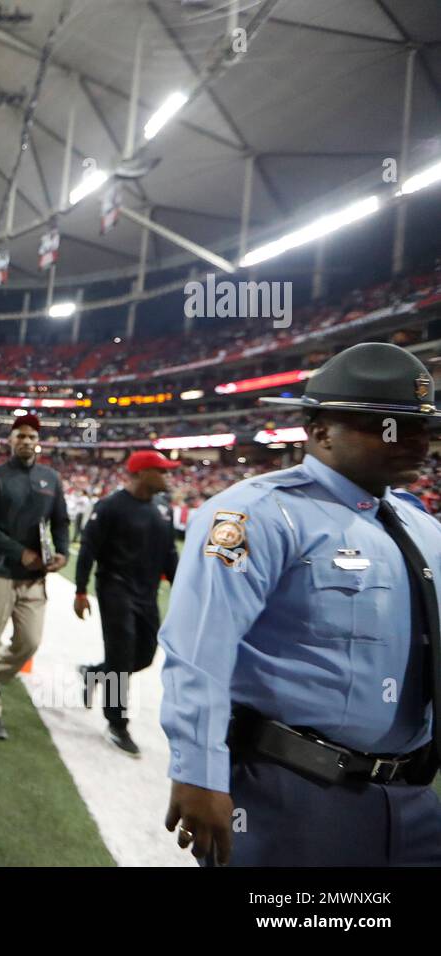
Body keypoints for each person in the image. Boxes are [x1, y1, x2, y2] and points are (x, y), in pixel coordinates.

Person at [161, 342, 441, 866]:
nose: (415, 440)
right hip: (291, 790)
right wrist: (197, 771)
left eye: (424, 425)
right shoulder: (258, 515)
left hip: (411, 797)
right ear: (318, 429)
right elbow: (200, 647)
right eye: (387, 424)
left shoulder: (423, 528)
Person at [0, 414, 70, 740]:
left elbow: (61, 521)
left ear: (37, 441)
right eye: (20, 436)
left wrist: (63, 552)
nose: (26, 441)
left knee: (29, 642)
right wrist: (19, 552)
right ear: (10, 440)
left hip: (34, 577)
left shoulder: (51, 478)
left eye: (31, 436)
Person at [74, 450, 180, 756]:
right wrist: (80, 591)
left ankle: (96, 672)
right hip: (114, 589)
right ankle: (117, 724)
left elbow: (169, 553)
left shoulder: (163, 508)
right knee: (120, 658)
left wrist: (181, 586)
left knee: (145, 655)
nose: (167, 476)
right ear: (142, 473)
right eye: (161, 471)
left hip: (146, 593)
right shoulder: (110, 506)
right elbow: (88, 549)